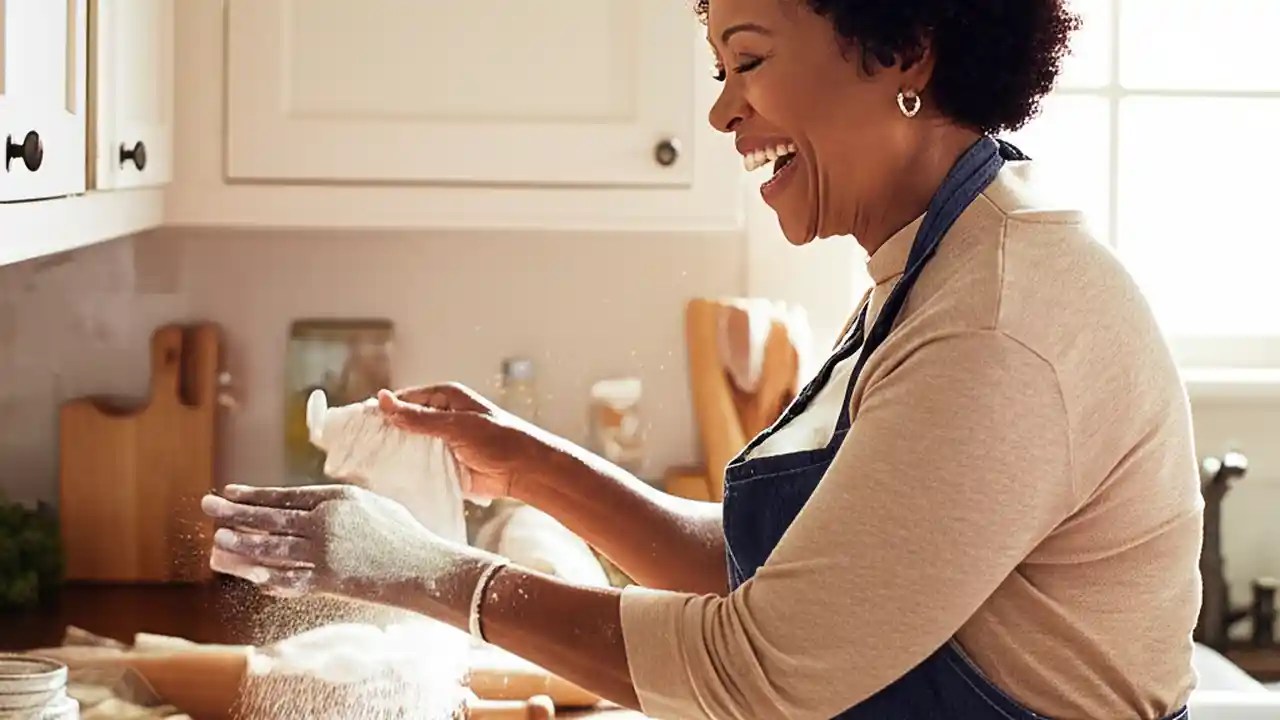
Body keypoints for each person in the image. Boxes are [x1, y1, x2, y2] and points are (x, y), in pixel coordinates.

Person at [200, 0, 1205, 717]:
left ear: (902, 46)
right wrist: (530, 464)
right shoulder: (937, 264)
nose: (723, 112)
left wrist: (416, 567)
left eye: (751, 61)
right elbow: (776, 575)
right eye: (720, 72)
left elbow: (763, 671)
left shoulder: (992, 326)